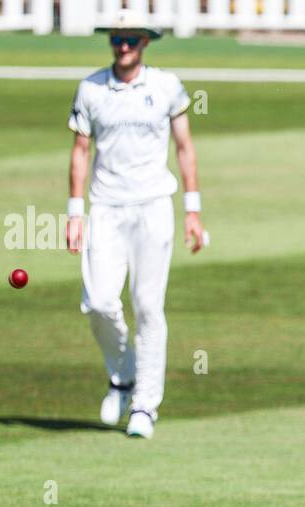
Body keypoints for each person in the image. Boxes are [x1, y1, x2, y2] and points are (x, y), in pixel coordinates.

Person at [65, 9, 206, 439]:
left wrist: (193, 211)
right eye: (116, 38)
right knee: (100, 303)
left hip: (152, 206)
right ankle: (122, 375)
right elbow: (80, 152)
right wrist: (74, 213)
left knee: (147, 307)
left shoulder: (166, 86)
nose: (122, 46)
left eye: (130, 39)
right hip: (106, 207)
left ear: (146, 41)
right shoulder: (91, 88)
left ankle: (145, 406)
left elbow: (184, 148)